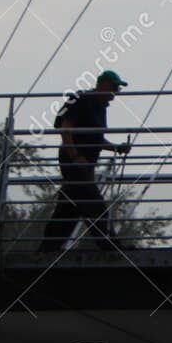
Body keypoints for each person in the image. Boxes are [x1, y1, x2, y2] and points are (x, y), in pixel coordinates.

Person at [40, 69, 133, 254]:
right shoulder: (79, 98)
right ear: (103, 85)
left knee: (70, 207)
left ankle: (48, 248)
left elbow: (96, 139)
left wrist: (116, 148)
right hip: (75, 162)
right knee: (93, 203)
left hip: (85, 163)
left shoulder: (99, 107)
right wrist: (75, 156)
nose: (115, 94)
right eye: (114, 88)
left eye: (118, 90)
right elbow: (66, 129)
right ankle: (111, 247)